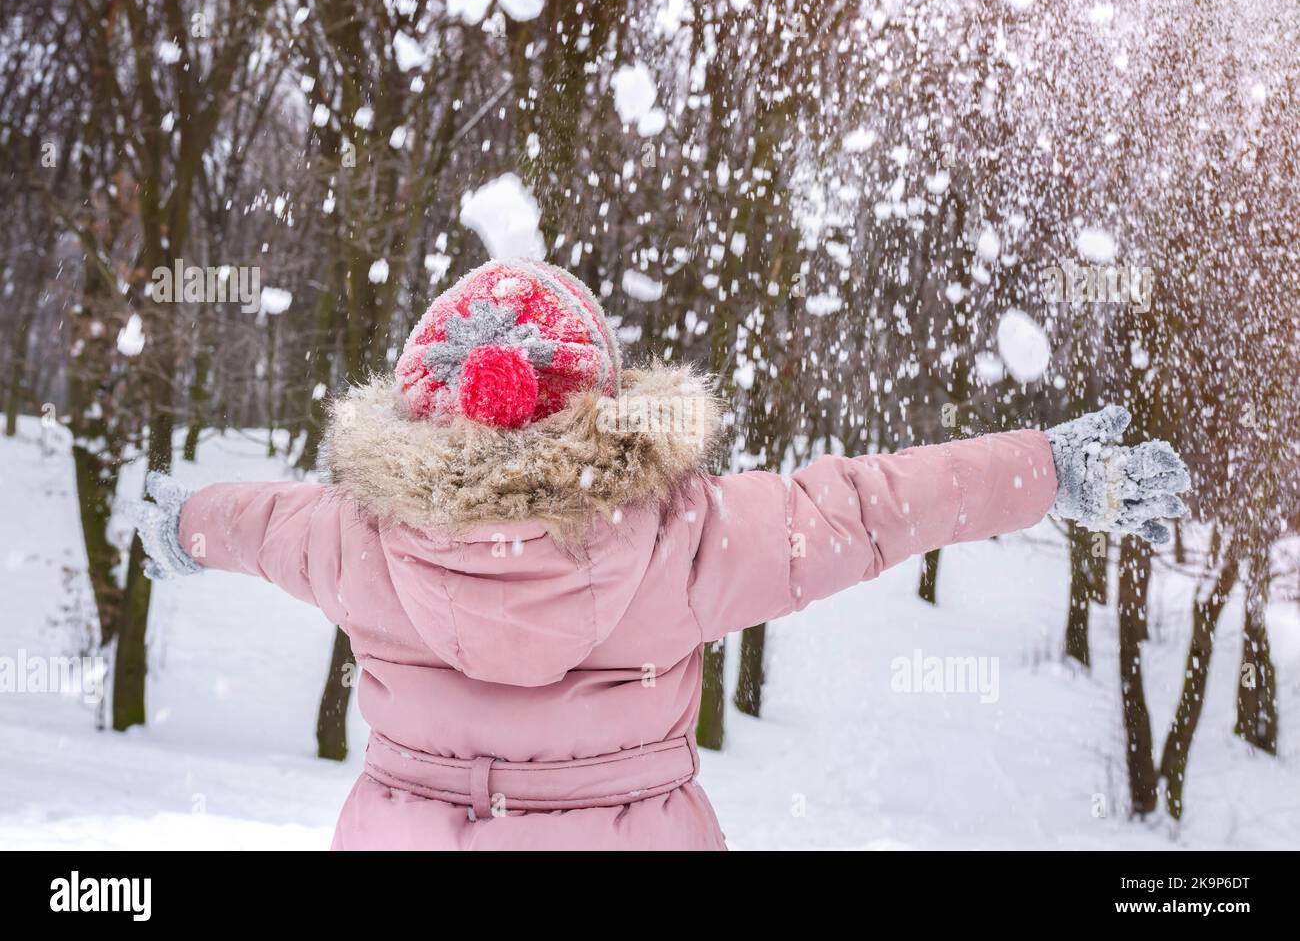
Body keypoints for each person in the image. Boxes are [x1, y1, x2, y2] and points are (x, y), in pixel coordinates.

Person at [126, 258, 1190, 850]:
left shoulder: (354, 536)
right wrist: (1047, 467)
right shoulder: (680, 536)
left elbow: (250, 519)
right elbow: (868, 505)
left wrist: (179, 521)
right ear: (606, 401)